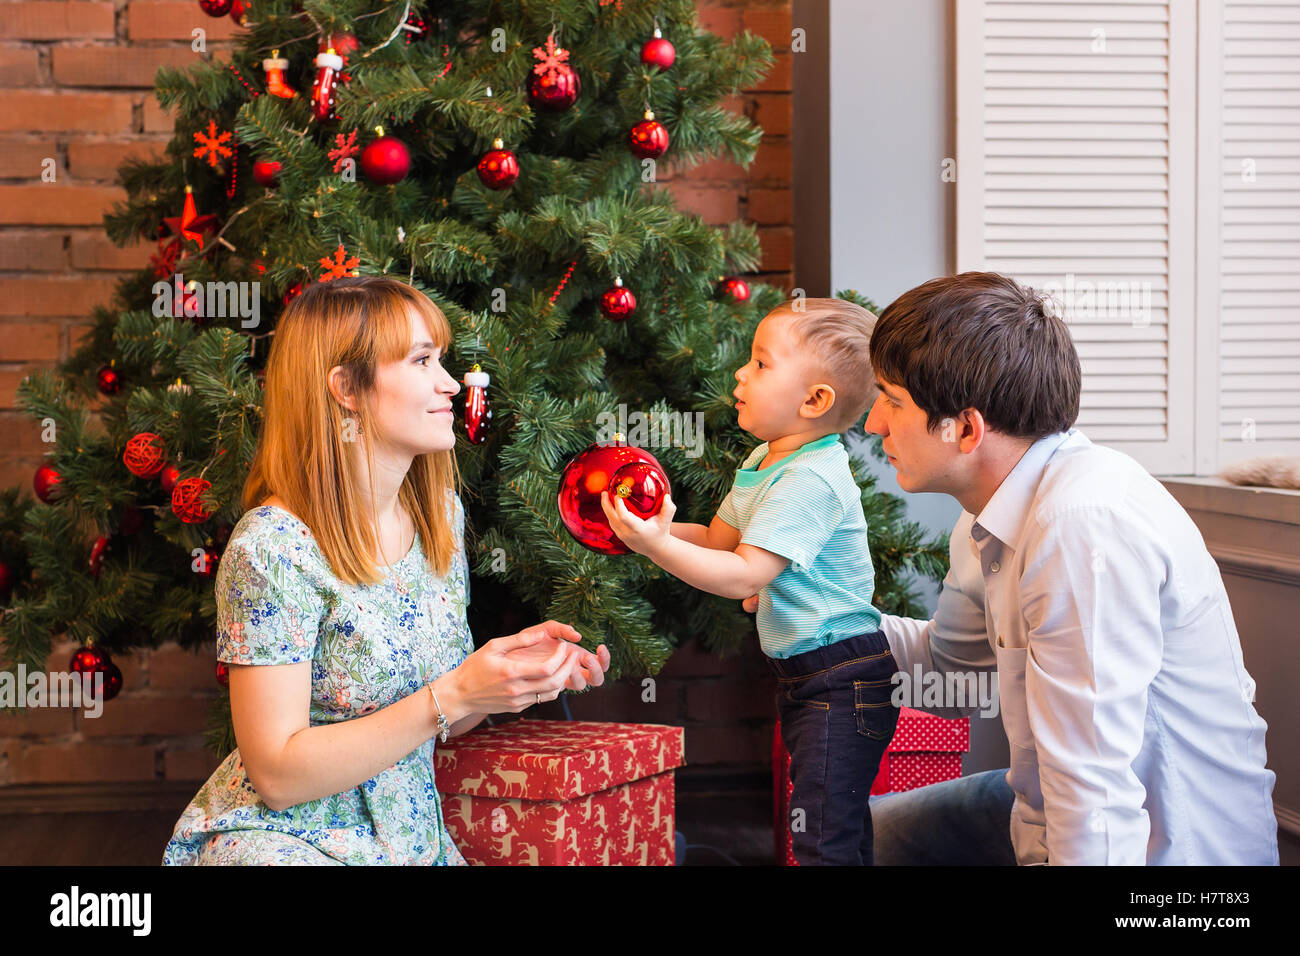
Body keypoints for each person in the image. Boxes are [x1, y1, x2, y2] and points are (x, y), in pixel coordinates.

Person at [163, 276, 610, 866]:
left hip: (411, 843)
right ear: (347, 388)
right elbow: (275, 774)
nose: (451, 383)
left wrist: (506, 680)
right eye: (422, 360)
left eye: (441, 359)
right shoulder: (272, 550)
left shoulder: (438, 520)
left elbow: (445, 712)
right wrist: (449, 694)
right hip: (284, 843)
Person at [852, 271, 1277, 865]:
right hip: (1041, 807)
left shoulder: (1081, 524)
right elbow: (952, 676)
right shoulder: (990, 515)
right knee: (853, 837)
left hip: (1168, 852)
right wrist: (817, 611)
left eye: (892, 401)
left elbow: (1096, 797)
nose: (873, 423)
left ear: (965, 429)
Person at [603, 297, 896, 865]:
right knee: (834, 825)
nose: (741, 372)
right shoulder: (767, 458)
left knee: (822, 835)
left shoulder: (811, 478)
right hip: (808, 675)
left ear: (815, 401)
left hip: (843, 676)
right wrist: (643, 532)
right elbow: (717, 543)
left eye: (761, 364)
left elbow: (744, 576)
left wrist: (657, 545)